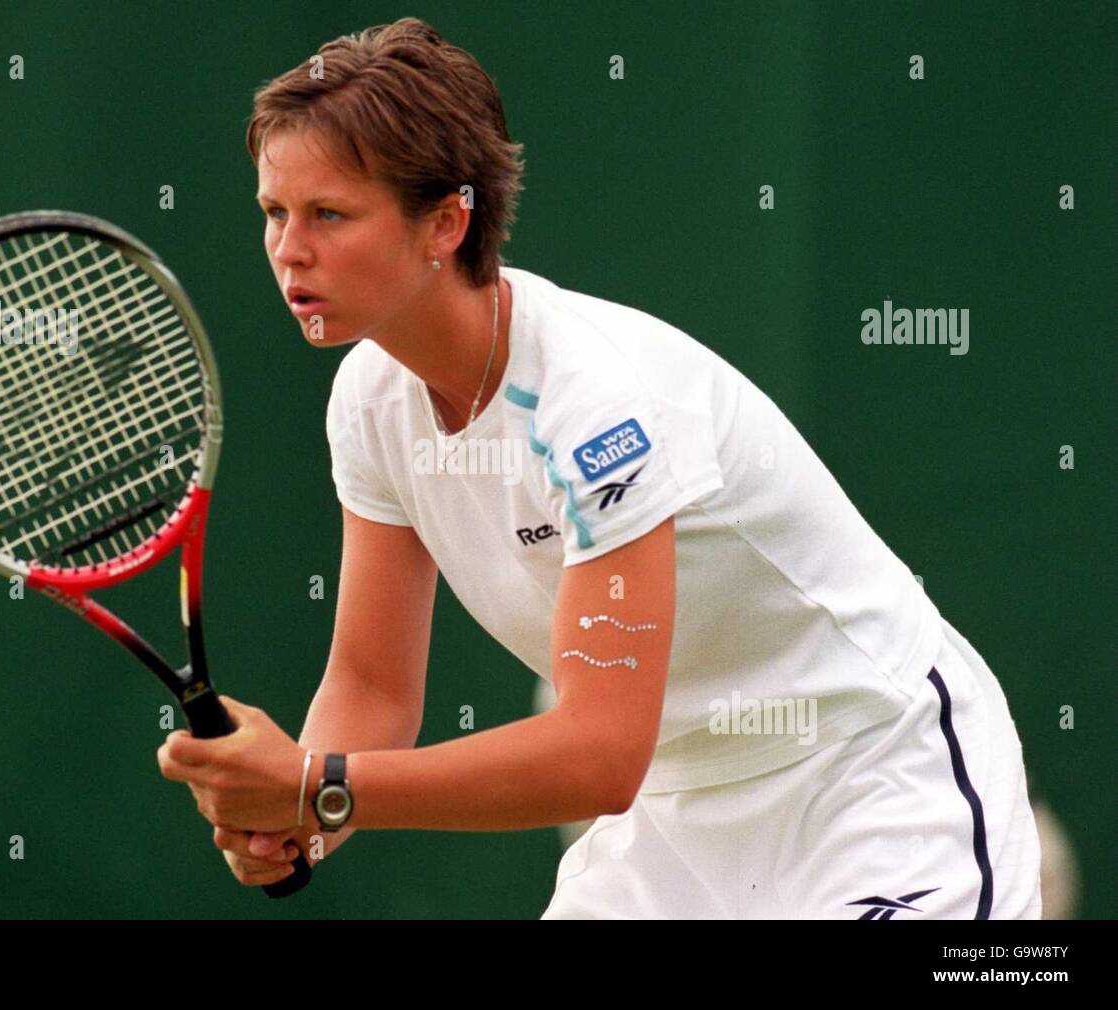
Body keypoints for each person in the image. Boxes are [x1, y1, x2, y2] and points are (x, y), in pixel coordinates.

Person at [155, 17, 1042, 919]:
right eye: (275, 212)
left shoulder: (597, 406)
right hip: (676, 819)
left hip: (873, 779)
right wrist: (300, 816)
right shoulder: (368, 404)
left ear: (447, 222)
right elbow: (373, 687)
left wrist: (319, 787)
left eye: (329, 214)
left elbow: (597, 759)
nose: (288, 249)